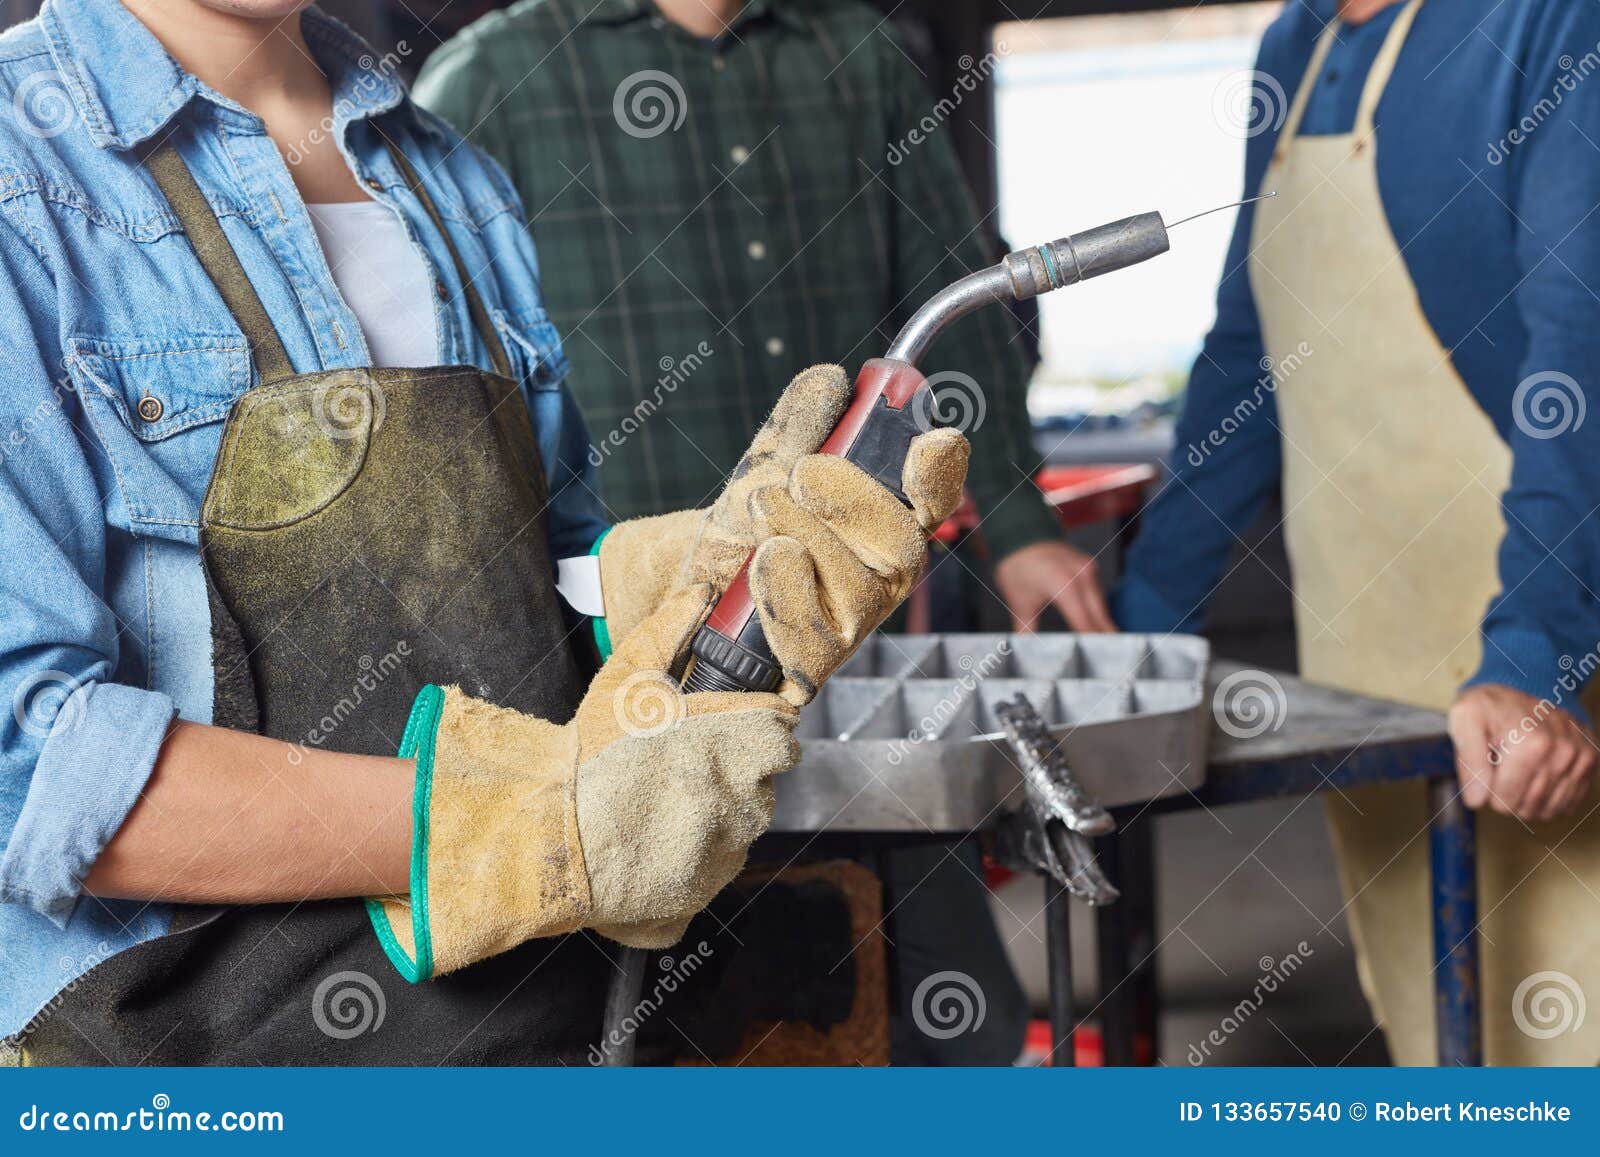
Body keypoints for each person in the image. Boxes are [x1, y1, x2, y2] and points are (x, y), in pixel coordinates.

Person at [0, 0, 967, 1064]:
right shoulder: (21, 172)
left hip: (536, 1027)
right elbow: (30, 766)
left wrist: (680, 580)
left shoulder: (447, 176)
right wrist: (537, 824)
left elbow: (536, 591)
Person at [415, 0, 1053, 1064]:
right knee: (682, 1019)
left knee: (954, 1016)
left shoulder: (859, 59)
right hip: (635, 674)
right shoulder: (485, 86)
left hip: (842, 630)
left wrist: (1024, 524)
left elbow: (954, 296)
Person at [1114, 0, 1600, 1064]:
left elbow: (1581, 356)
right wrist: (1139, 630)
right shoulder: (1291, 48)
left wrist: (1534, 658)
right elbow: (1245, 357)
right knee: (1437, 1031)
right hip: (1371, 684)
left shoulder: (1550, 22)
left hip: (1539, 670)